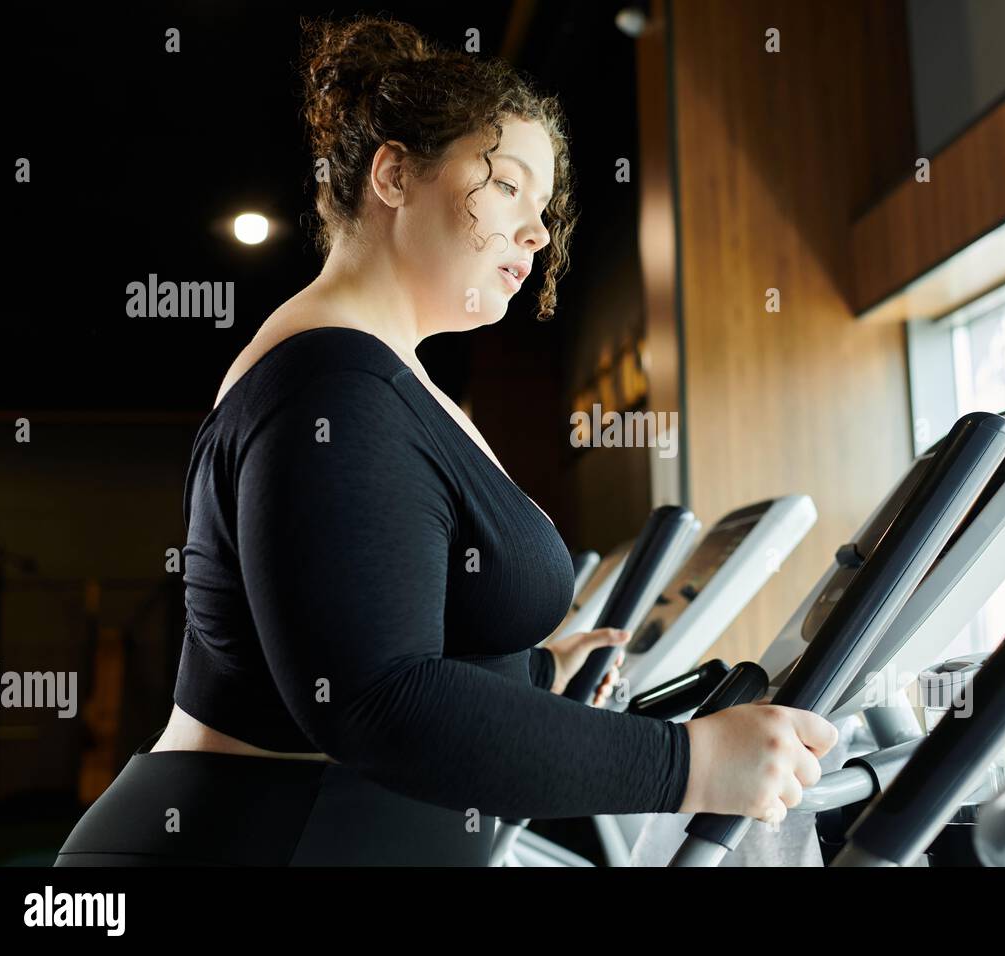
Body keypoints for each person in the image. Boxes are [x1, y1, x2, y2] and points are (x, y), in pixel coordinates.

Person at [54, 14, 837, 867]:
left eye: (544, 209)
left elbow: (369, 635)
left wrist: (532, 675)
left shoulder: (371, 374)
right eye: (507, 186)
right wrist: (690, 766)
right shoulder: (335, 387)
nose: (537, 233)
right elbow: (381, 700)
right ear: (394, 174)